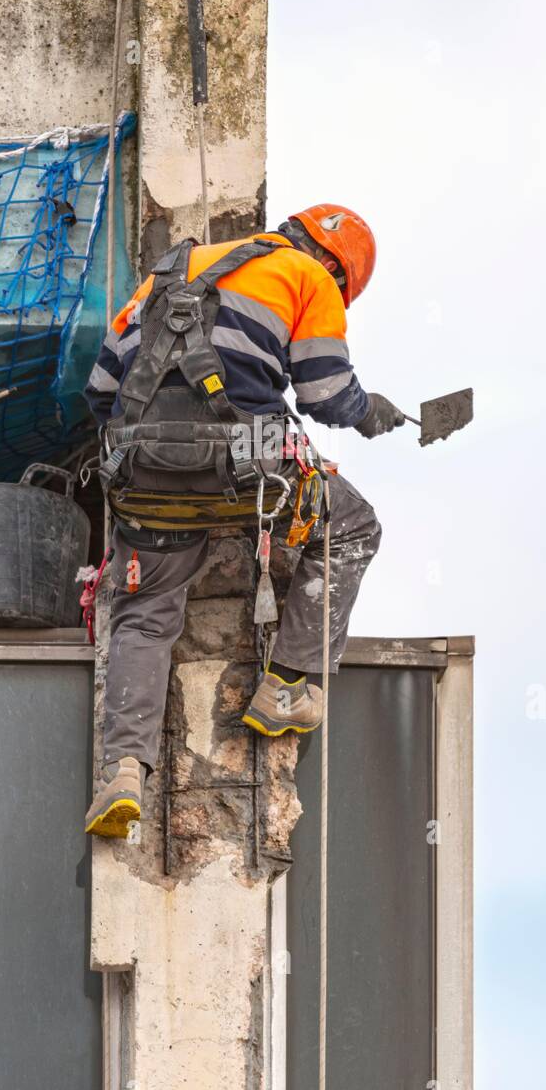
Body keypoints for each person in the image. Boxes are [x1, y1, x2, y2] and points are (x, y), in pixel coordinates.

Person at [82, 205, 404, 837]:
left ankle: (122, 772)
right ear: (338, 271)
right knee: (353, 526)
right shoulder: (307, 278)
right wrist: (371, 413)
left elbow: (99, 391)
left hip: (143, 468)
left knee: (143, 617)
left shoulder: (163, 276)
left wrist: (164, 440)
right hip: (247, 465)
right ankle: (283, 687)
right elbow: (325, 394)